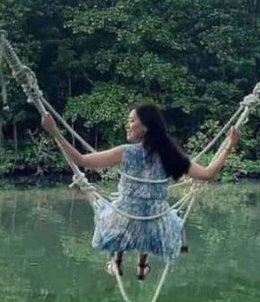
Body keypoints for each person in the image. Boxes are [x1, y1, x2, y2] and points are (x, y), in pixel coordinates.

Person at [41, 103, 239, 280]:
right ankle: (140, 265)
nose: (127, 125)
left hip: (125, 217)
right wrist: (228, 146)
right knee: (142, 227)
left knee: (114, 217)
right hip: (156, 221)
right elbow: (207, 173)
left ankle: (118, 262)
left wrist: (55, 132)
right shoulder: (170, 154)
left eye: (131, 121)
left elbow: (81, 160)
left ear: (145, 126)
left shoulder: (126, 152)